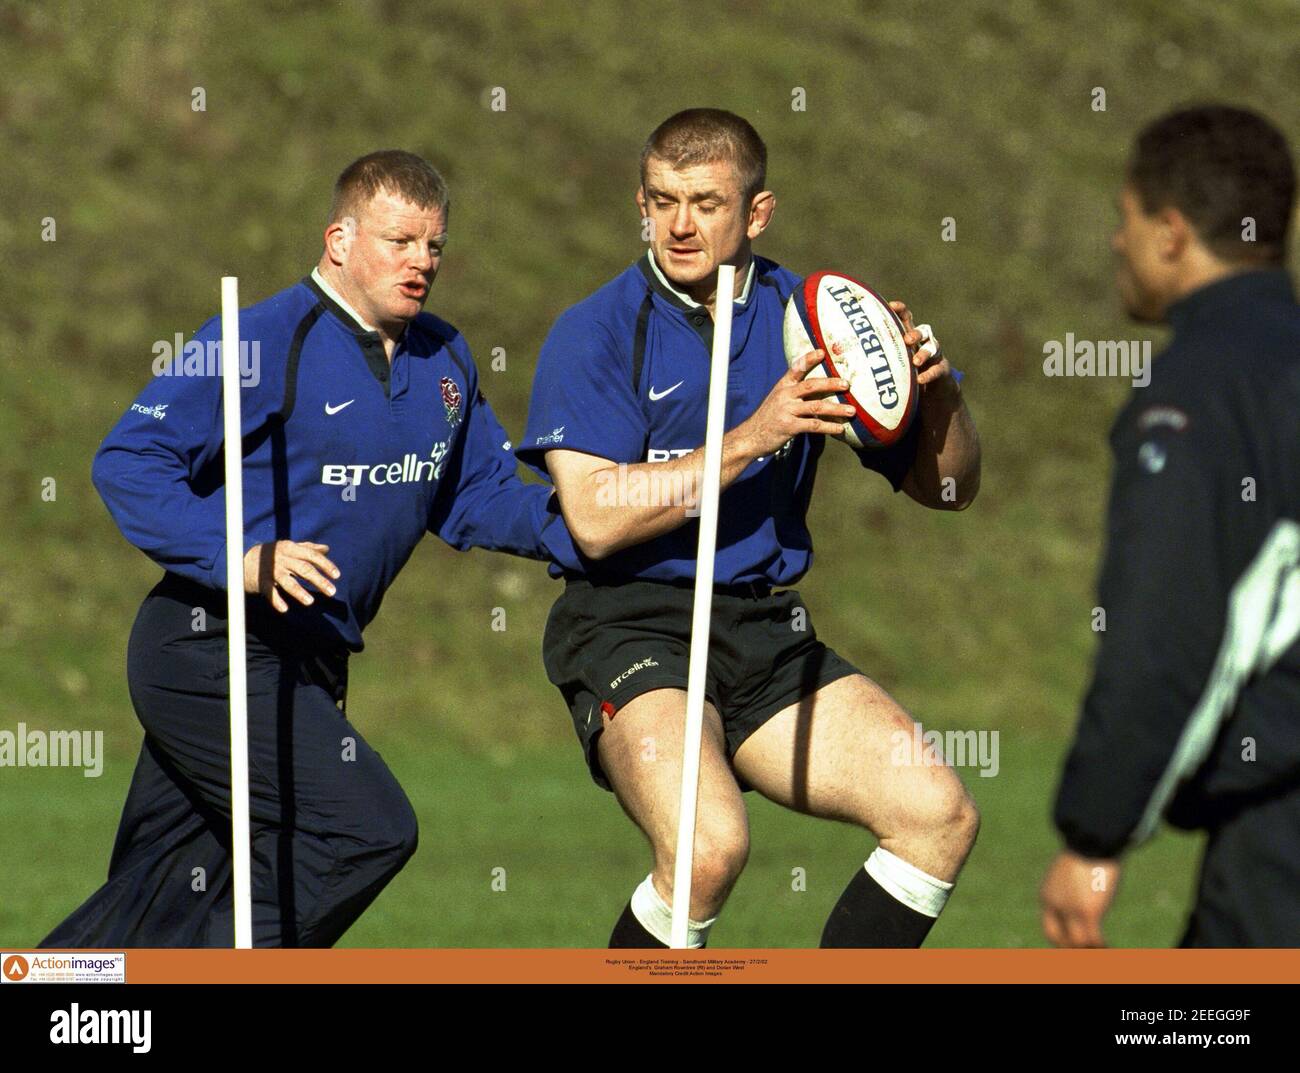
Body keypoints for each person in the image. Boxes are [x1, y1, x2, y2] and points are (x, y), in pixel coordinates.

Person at [41, 150, 555, 948]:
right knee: (366, 829)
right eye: (399, 241)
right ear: (339, 240)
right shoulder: (261, 338)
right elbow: (128, 461)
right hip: (211, 648)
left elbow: (475, 499)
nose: (421, 263)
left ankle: (64, 997)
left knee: (157, 895)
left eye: (435, 247)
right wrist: (242, 558)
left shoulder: (445, 358)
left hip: (310, 663)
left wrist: (596, 524)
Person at [517, 109, 983, 948]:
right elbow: (590, 519)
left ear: (757, 213)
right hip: (630, 620)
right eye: (661, 201)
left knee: (937, 814)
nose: (679, 225)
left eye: (704, 202)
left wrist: (934, 396)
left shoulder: (816, 324)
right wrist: (751, 438)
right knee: (707, 846)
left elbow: (948, 492)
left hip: (763, 627)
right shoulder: (593, 331)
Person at [1042, 106, 1300, 947]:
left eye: (1126, 219)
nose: (1117, 243)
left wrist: (1095, 831)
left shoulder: (1195, 392)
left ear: (1171, 231)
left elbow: (1170, 632)